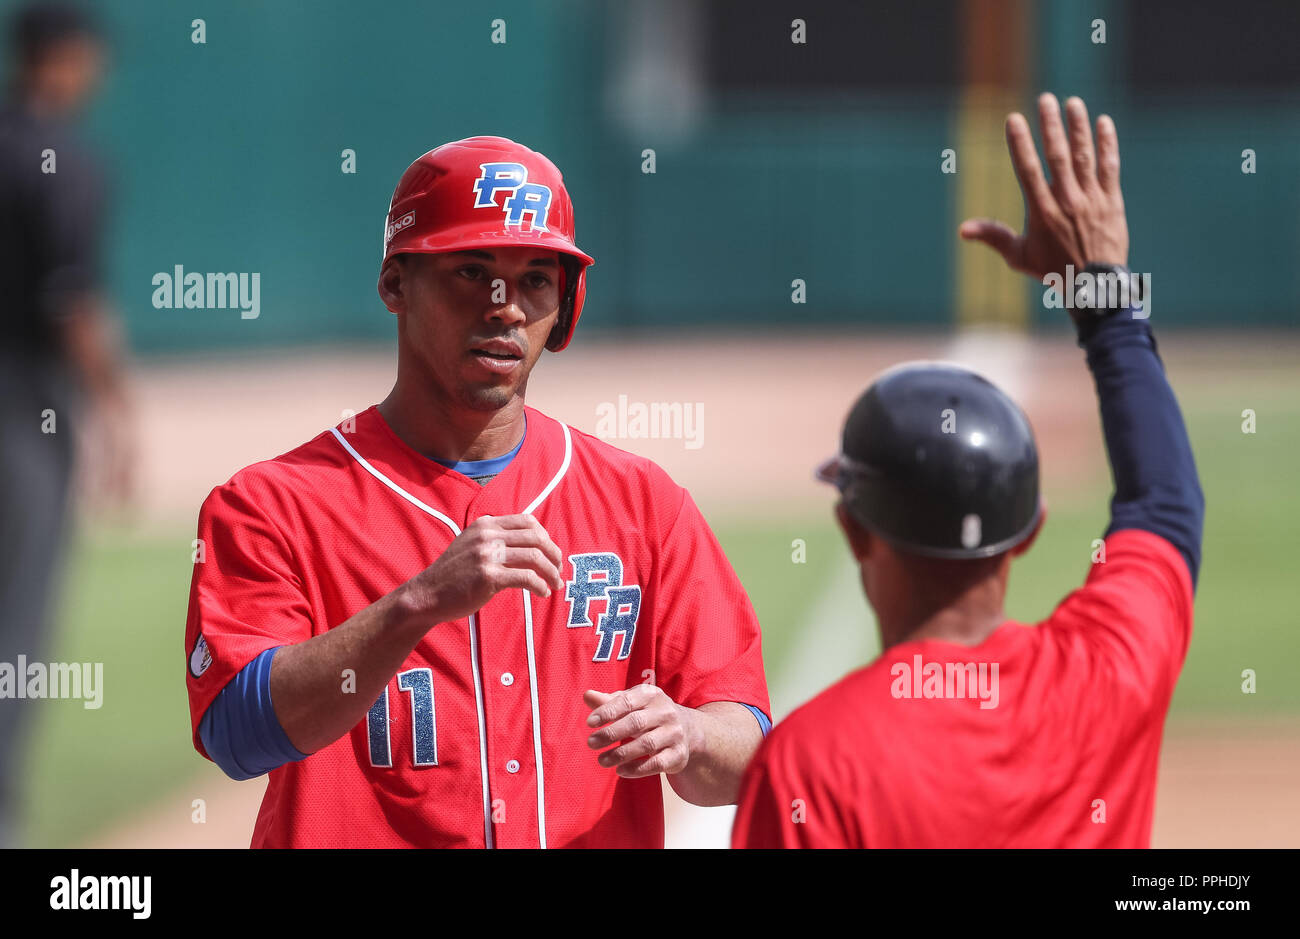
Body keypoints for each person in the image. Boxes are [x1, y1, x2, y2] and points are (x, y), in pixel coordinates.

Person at [183, 136, 771, 848]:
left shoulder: (645, 505)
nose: (506, 308)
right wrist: (416, 604)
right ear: (396, 283)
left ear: (566, 304)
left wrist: (692, 732)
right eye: (471, 271)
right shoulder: (272, 505)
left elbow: (749, 755)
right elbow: (237, 735)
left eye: (534, 279)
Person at [732, 93, 1203, 848]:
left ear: (853, 529)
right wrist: (1104, 294)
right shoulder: (1111, 673)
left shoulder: (809, 762)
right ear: (1029, 531)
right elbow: (1166, 504)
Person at [0, 2, 132, 848]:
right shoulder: (67, 164)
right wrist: (118, 414)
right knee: (16, 623)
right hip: (22, 414)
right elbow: (73, 305)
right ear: (71, 57)